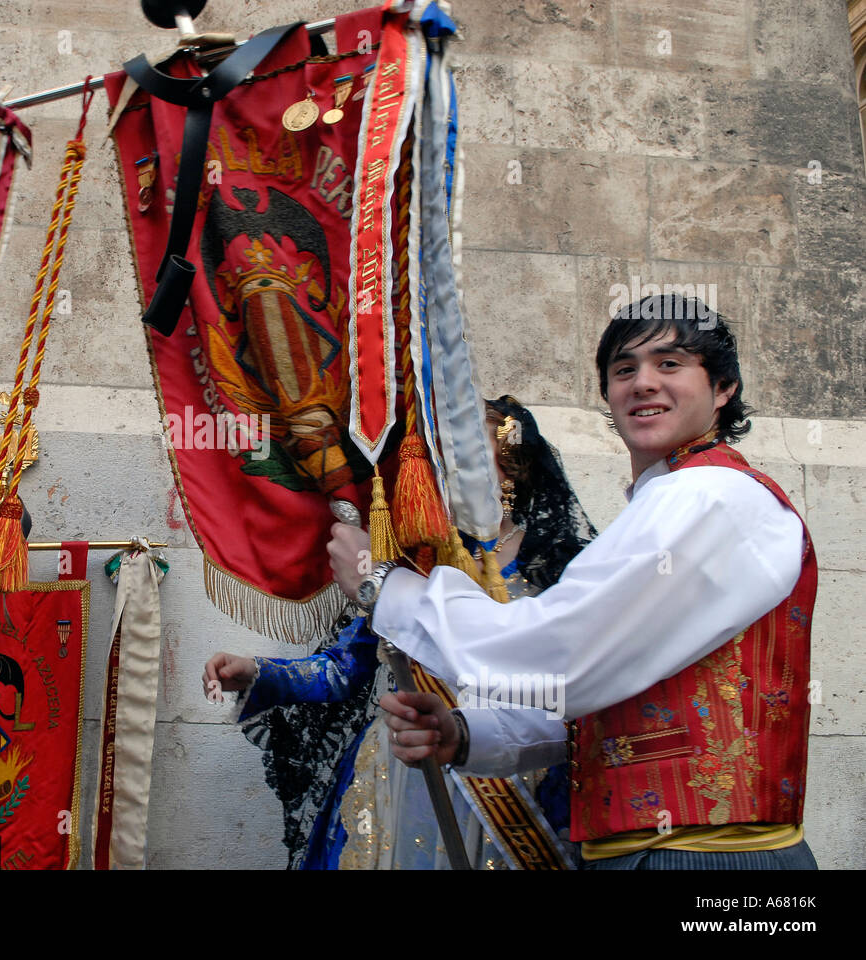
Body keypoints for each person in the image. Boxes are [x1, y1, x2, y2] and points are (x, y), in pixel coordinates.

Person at [332, 295, 818, 869]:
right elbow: (591, 692)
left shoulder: (710, 495)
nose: (643, 383)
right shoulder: (673, 498)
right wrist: (467, 736)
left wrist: (386, 588)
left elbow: (557, 652)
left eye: (670, 364)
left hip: (703, 859)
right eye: (624, 369)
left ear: (723, 388)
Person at [204, 396, 595, 868]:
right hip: (404, 776)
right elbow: (343, 669)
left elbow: (576, 677)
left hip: (515, 780)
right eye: (441, 459)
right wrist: (258, 672)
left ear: (511, 469)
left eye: (467, 458)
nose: (445, 472)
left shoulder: (554, 564)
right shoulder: (413, 561)